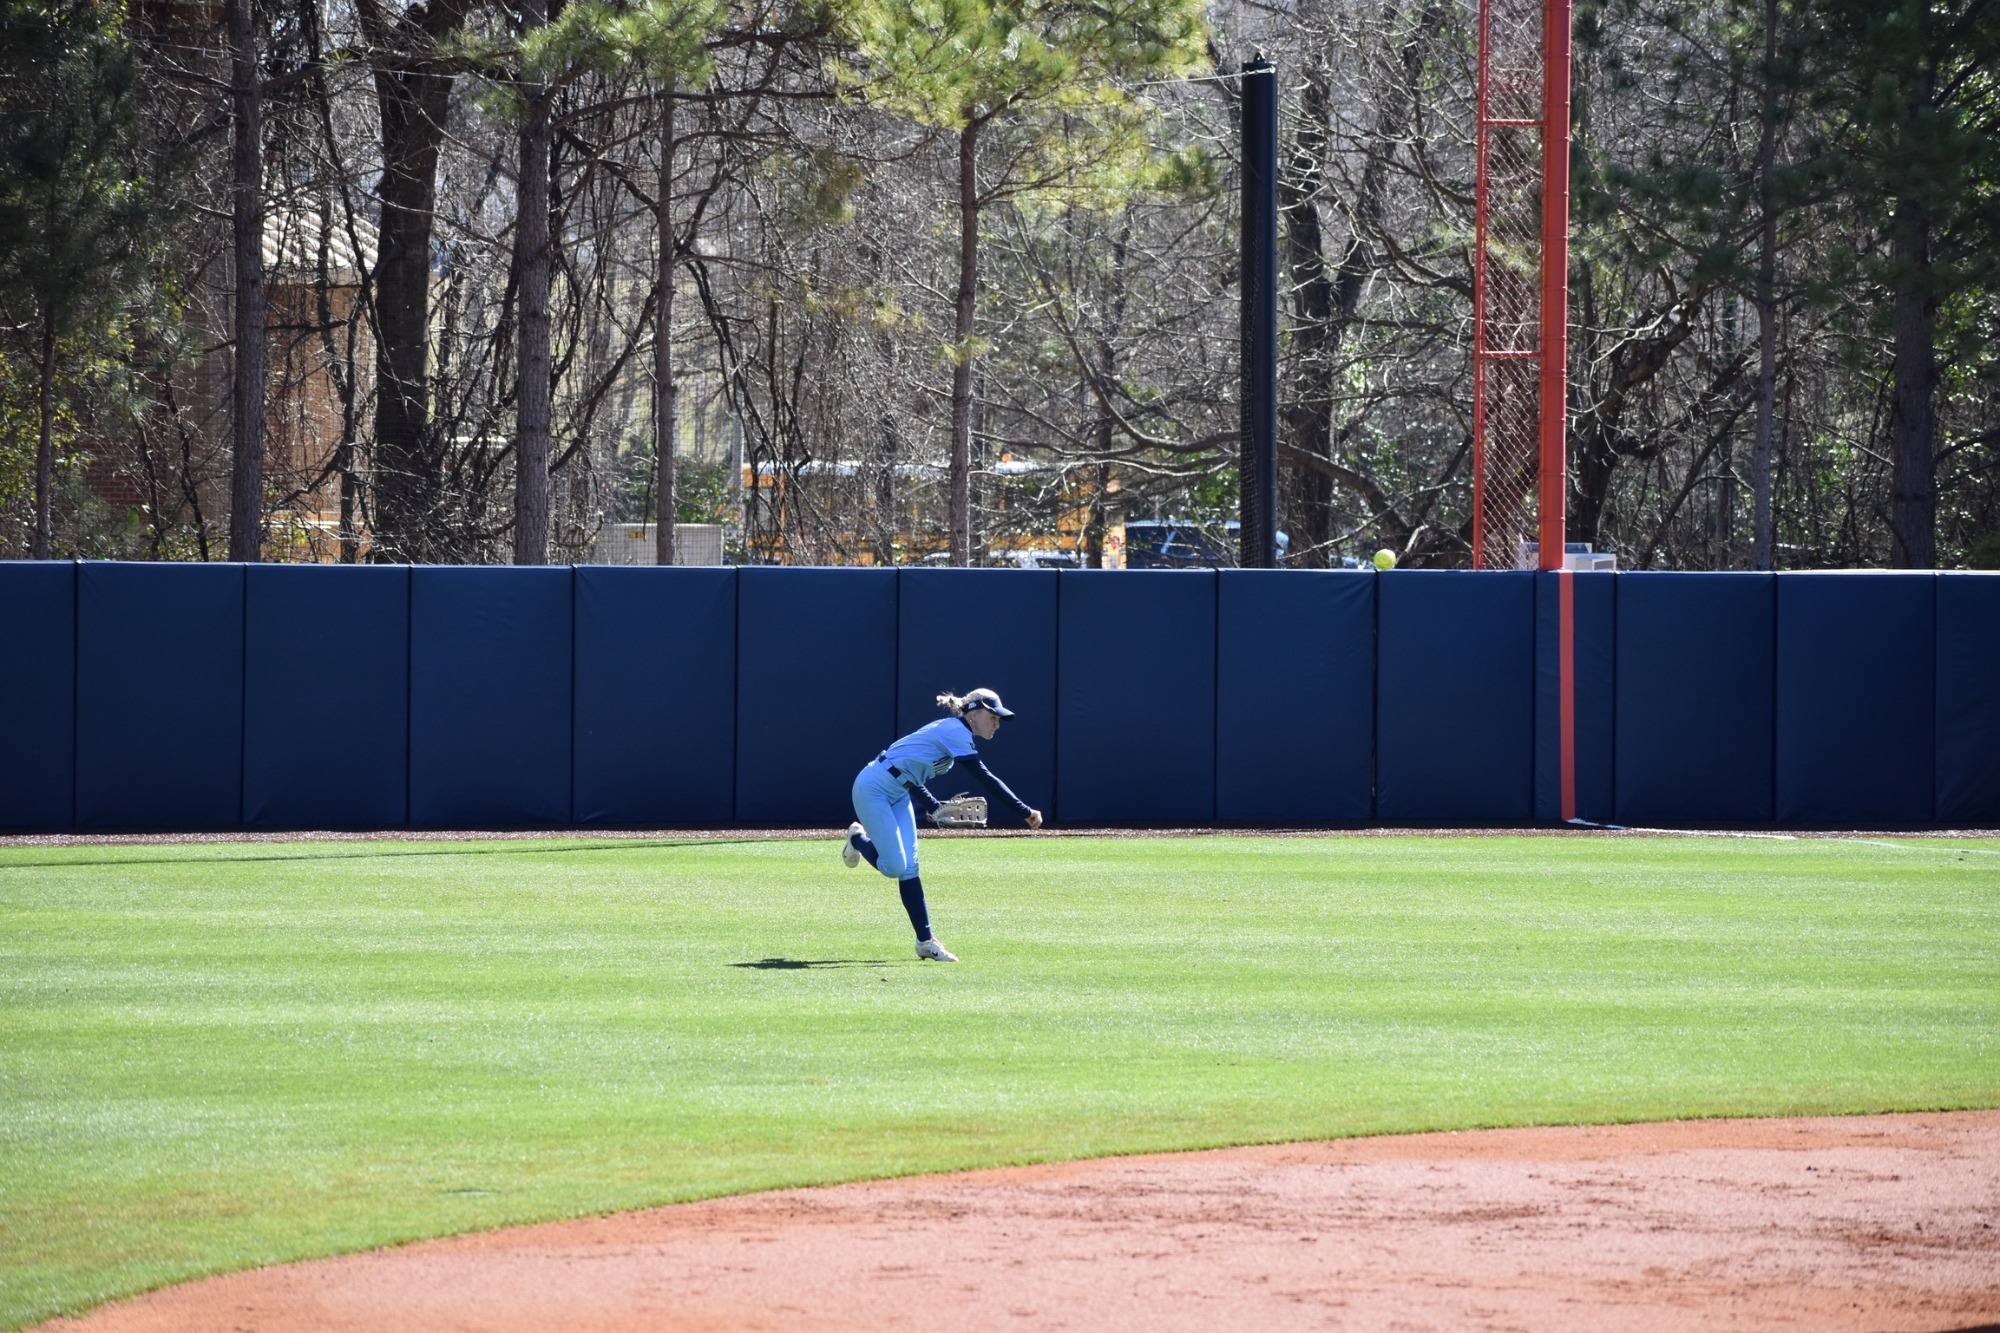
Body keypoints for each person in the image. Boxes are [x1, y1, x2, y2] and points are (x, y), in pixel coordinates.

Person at [842, 688, 1043, 961]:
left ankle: (925, 942)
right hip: (873, 788)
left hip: (899, 792)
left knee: (910, 868)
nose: (997, 723)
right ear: (973, 714)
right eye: (992, 716)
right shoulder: (955, 731)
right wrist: (1024, 811)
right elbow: (985, 778)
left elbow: (907, 772)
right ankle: (856, 838)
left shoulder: (956, 733)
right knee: (894, 867)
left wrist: (933, 804)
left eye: (999, 718)